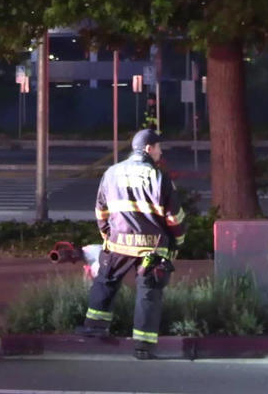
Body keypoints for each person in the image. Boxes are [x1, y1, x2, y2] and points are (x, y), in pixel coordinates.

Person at [75, 129, 186, 360]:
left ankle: (94, 330)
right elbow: (174, 217)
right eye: (158, 148)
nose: (160, 152)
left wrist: (107, 235)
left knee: (106, 281)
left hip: (119, 244)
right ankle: (143, 346)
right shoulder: (159, 177)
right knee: (148, 293)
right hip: (152, 248)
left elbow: (101, 210)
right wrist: (178, 240)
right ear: (148, 149)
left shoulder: (111, 173)